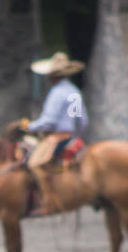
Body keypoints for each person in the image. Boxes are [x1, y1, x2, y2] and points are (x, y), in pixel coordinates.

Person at [24, 51, 89, 214]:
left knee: (34, 164)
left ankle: (49, 202)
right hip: (71, 136)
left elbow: (49, 121)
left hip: (56, 137)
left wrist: (31, 126)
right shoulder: (74, 91)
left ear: (53, 75)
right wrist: (75, 136)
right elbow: (81, 120)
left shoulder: (56, 93)